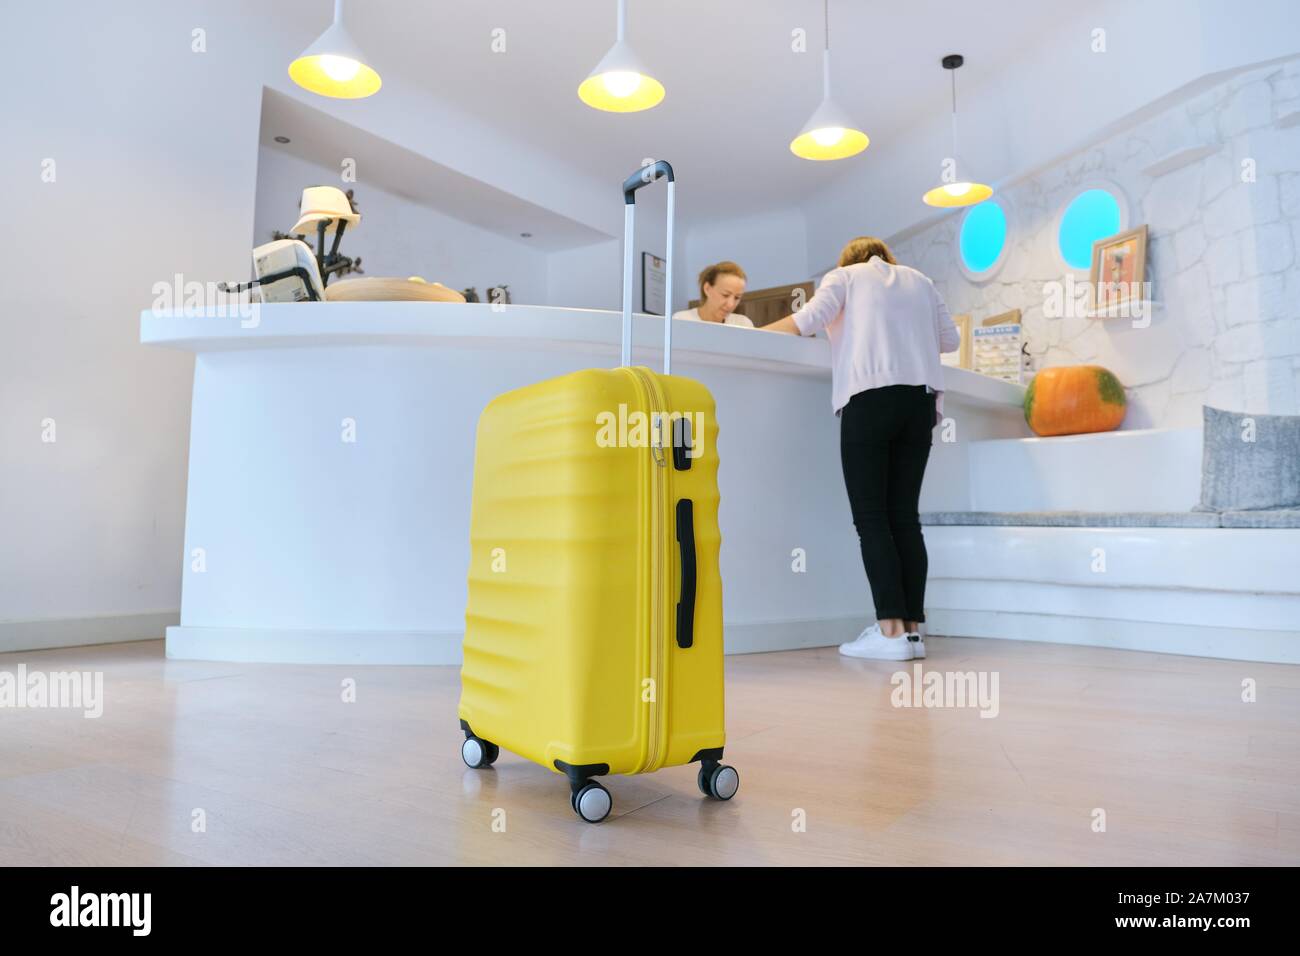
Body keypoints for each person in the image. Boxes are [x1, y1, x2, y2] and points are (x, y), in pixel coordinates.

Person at [766, 237, 960, 661]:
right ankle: (911, 632)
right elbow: (950, 340)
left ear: (847, 261)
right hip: (919, 403)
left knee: (872, 519)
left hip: (869, 399)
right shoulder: (922, 282)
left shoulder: (845, 277)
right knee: (905, 517)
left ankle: (889, 633)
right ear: (888, 258)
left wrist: (752, 332)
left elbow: (808, 320)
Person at [672, 261, 754, 327]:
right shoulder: (681, 320)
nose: (730, 304)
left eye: (737, 297)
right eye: (725, 295)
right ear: (707, 289)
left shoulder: (743, 324)